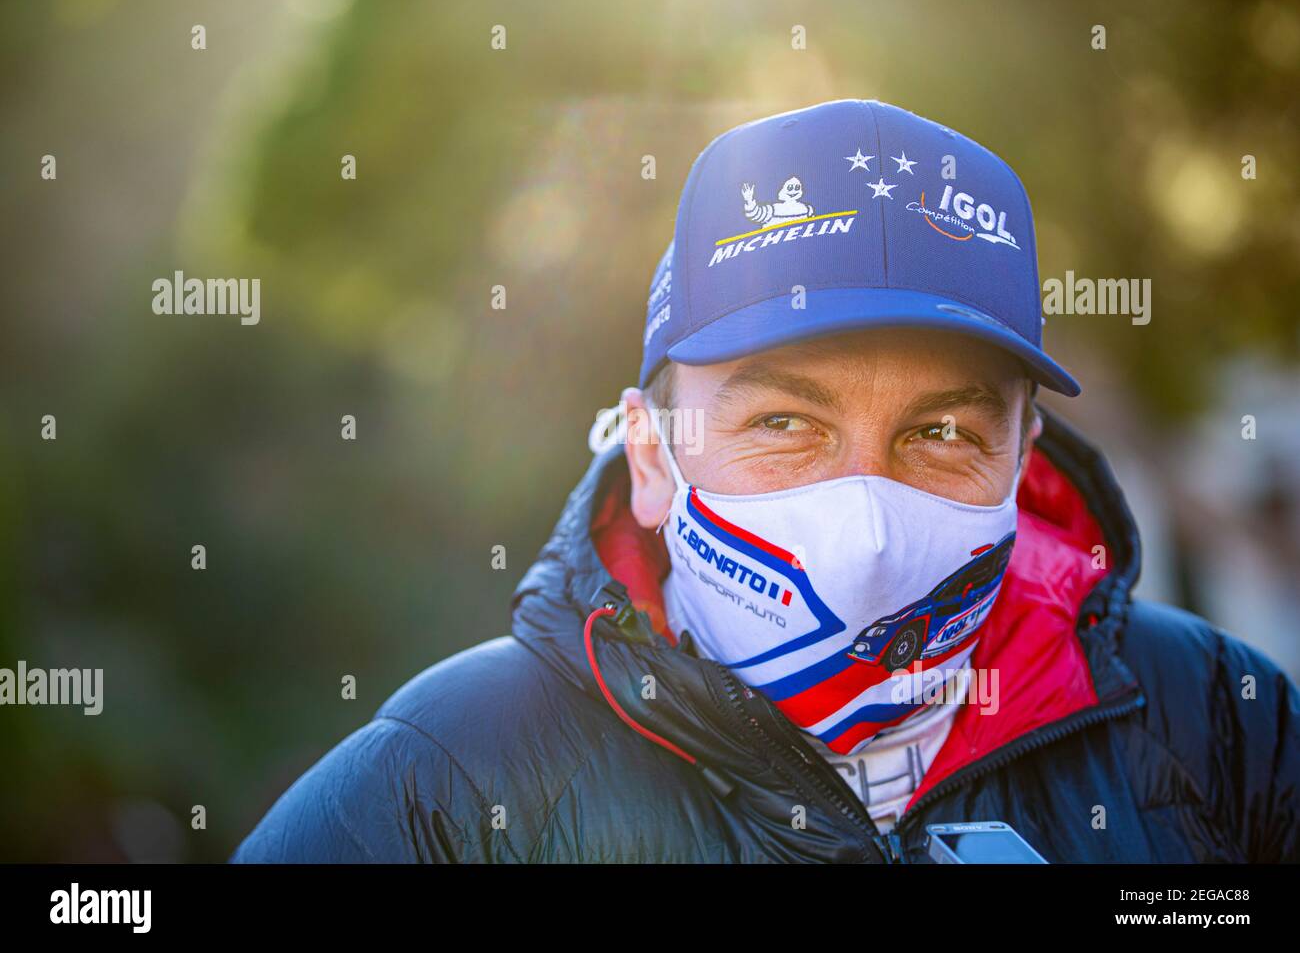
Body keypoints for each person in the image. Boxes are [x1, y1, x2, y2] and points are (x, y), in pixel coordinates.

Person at [231, 99, 1300, 863]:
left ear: (1021, 460)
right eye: (784, 420)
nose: (867, 520)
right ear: (652, 454)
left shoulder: (1220, 722)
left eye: (939, 430)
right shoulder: (455, 782)